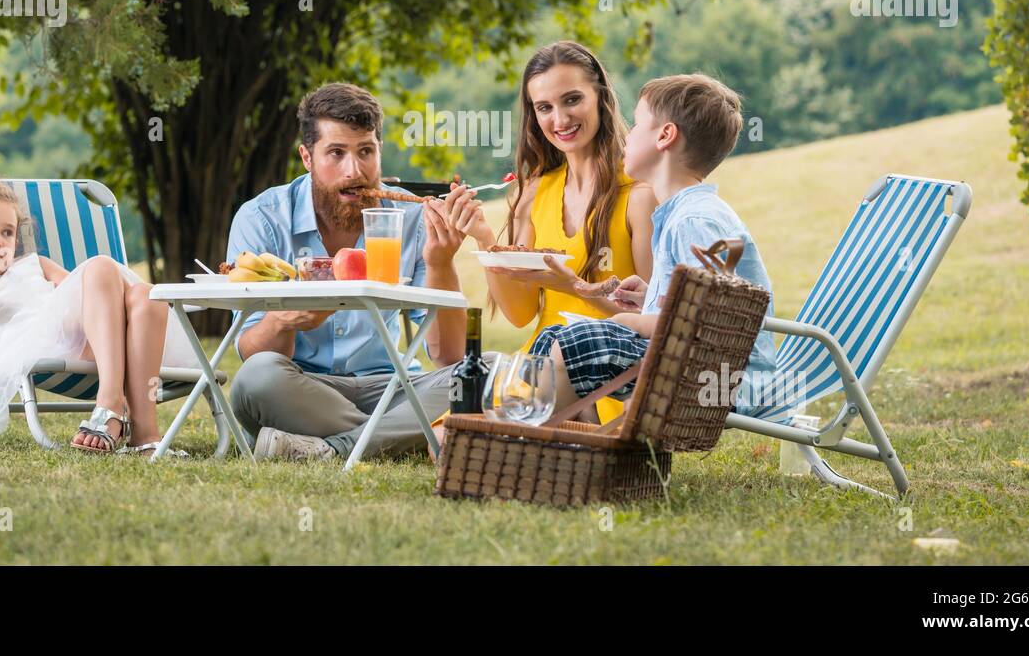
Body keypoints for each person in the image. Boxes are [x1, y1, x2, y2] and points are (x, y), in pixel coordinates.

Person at [226, 82, 472, 462]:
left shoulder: (413, 222)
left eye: (365, 152)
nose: (354, 170)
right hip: (302, 387)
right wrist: (282, 320)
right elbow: (249, 352)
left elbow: (450, 355)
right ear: (307, 157)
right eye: (336, 153)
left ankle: (333, 448)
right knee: (256, 379)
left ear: (380, 151)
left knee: (484, 372)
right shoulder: (262, 219)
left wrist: (441, 263)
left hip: (392, 386)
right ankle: (404, 433)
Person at [528, 73, 778, 418]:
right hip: (697, 365)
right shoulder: (681, 215)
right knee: (553, 338)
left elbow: (714, 323)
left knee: (577, 343)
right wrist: (651, 298)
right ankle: (570, 446)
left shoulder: (694, 221)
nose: (627, 134)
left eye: (636, 124)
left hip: (719, 380)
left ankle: (542, 445)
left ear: (665, 136)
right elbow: (697, 304)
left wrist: (629, 323)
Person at [0, 169, 197, 455]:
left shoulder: (37, 264)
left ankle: (145, 437)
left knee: (145, 294)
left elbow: (91, 293)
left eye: (7, 232)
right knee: (100, 267)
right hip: (33, 347)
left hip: (96, 342)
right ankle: (110, 402)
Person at [442, 41, 656, 425]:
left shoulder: (639, 195)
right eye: (544, 108)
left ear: (601, 98)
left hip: (607, 379)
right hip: (537, 365)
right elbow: (520, 313)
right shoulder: (534, 192)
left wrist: (574, 287)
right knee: (444, 440)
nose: (559, 119)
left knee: (489, 442)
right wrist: (486, 240)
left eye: (572, 99)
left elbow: (655, 318)